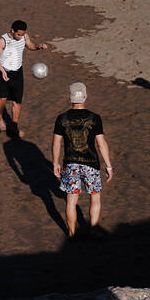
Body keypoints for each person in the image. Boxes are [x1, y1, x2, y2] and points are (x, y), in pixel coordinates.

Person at [52, 82, 112, 239]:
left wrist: (55, 162)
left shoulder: (61, 118)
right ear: (85, 96)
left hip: (70, 163)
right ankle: (93, 231)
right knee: (95, 197)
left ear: (70, 97)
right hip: (91, 164)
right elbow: (101, 143)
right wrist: (109, 165)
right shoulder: (94, 118)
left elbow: (56, 142)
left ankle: (72, 235)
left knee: (71, 201)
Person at [0, 19, 49, 137]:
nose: (20, 37)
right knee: (2, 98)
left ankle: (14, 127)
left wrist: (38, 46)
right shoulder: (2, 41)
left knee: (17, 102)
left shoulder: (24, 36)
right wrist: (2, 71)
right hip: (3, 72)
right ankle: (0, 118)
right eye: (18, 34)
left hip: (17, 73)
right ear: (12, 30)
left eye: (22, 34)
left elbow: (30, 45)